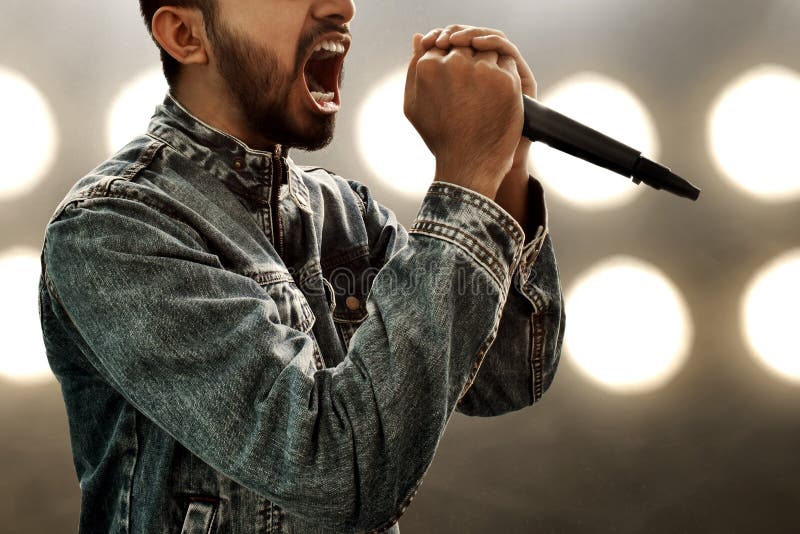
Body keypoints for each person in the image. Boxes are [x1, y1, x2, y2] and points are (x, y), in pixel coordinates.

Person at [37, 0, 565, 532]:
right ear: (185, 34)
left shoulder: (344, 211)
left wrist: (505, 165)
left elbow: (508, 375)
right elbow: (337, 473)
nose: (343, 7)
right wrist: (466, 176)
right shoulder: (114, 226)